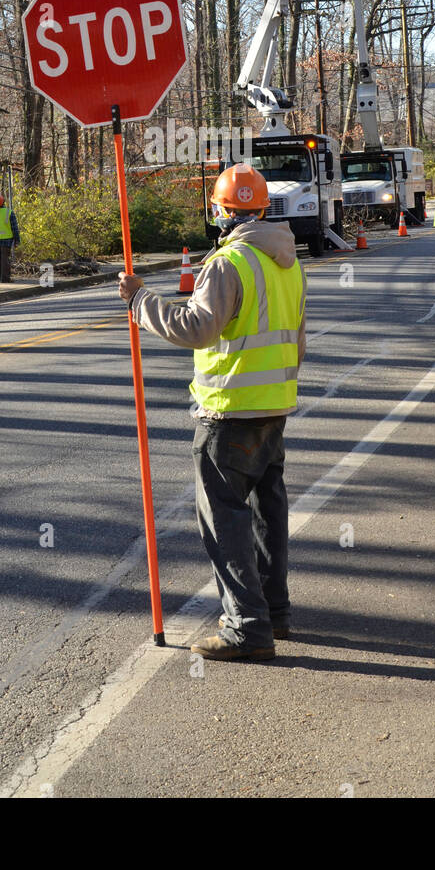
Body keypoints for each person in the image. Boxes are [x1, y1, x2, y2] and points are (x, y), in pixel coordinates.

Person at [118, 163, 306, 663]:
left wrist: (141, 301)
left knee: (224, 519)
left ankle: (247, 627)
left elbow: (196, 329)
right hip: (273, 407)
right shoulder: (286, 262)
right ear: (264, 208)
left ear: (220, 211)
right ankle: (273, 610)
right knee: (268, 511)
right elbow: (297, 341)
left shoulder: (229, 263)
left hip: (229, 410)